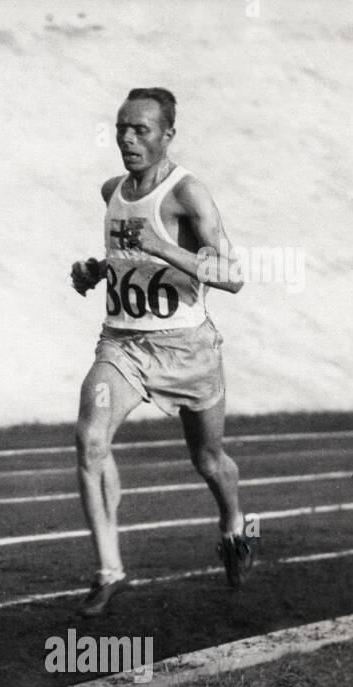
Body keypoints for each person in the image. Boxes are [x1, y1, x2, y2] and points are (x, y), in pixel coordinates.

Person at [68, 87, 255, 617]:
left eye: (141, 130)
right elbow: (122, 261)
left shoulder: (187, 193)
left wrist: (163, 247)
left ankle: (233, 525)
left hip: (187, 350)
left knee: (208, 459)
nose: (127, 138)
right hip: (123, 344)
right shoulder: (112, 191)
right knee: (89, 438)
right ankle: (109, 569)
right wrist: (93, 271)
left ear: (168, 135)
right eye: (121, 128)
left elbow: (234, 277)